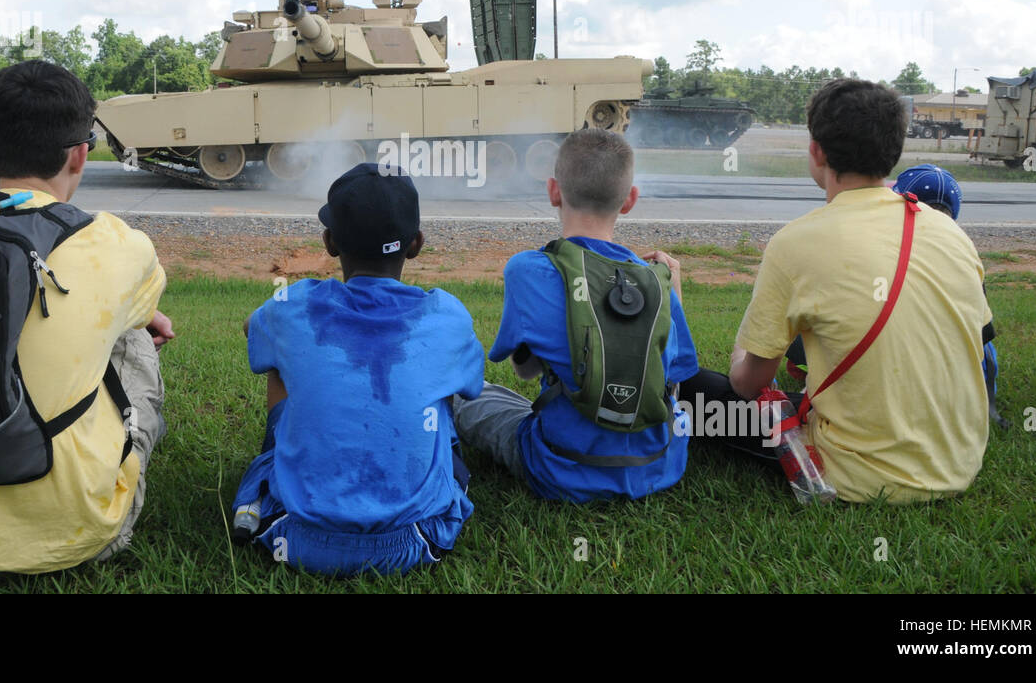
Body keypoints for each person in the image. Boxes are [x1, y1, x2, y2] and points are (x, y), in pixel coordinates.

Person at [0, 60, 173, 574]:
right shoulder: (117, 242)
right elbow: (147, 312)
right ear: (80, 154)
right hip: (75, 537)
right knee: (133, 335)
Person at [705, 79, 993, 503]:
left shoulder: (795, 243)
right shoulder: (949, 232)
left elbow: (750, 385)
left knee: (696, 392)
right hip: (960, 464)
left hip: (855, 475)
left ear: (817, 151)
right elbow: (980, 341)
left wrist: (737, 359)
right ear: (893, 151)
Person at [231, 163, 484, 575]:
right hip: (418, 538)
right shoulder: (446, 315)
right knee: (441, 387)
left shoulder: (295, 305)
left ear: (330, 242)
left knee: (278, 364)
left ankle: (274, 462)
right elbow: (471, 389)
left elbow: (249, 329)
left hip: (294, 536)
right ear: (416, 243)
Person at [453, 128, 698, 504]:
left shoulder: (528, 269)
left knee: (465, 397)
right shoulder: (657, 278)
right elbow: (674, 378)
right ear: (630, 200)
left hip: (563, 469)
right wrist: (670, 288)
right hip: (658, 466)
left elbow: (527, 370)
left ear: (553, 190)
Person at [889, 163, 1006, 429]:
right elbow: (984, 334)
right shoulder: (964, 251)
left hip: (903, 383)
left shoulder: (889, 250)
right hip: (959, 387)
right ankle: (988, 409)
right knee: (986, 349)